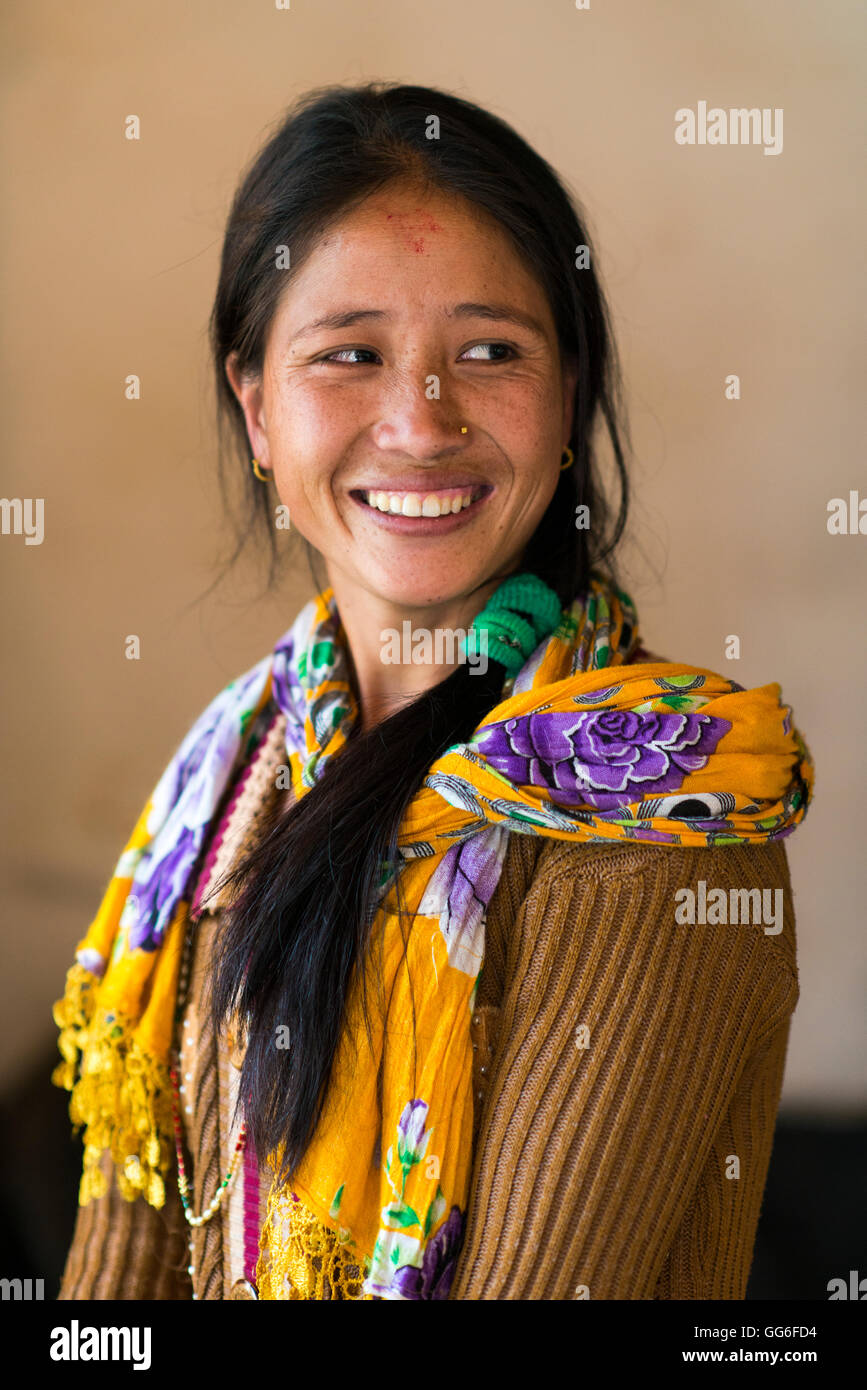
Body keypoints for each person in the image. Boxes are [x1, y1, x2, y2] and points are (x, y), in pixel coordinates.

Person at [53, 82, 813, 1301]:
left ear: (568, 398)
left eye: (490, 351)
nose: (420, 419)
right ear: (255, 407)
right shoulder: (233, 774)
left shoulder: (660, 823)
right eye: (349, 354)